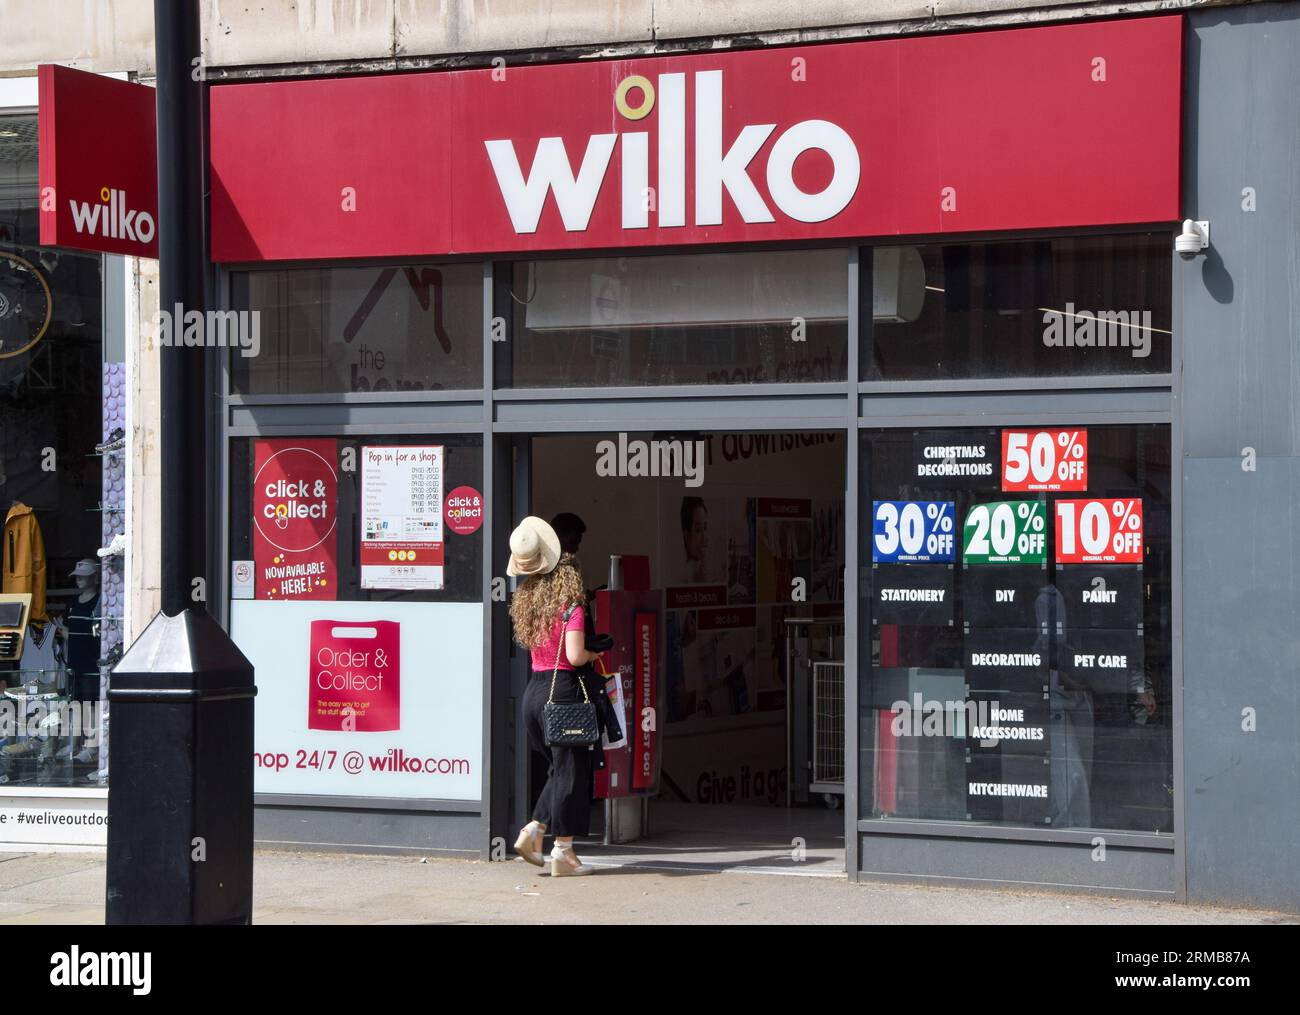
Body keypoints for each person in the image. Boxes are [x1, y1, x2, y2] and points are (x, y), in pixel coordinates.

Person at [509, 516, 603, 876]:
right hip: (563, 691)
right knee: (570, 774)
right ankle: (561, 851)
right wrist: (595, 655)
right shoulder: (571, 608)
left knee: (559, 769)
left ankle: (536, 830)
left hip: (535, 692)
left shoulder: (531, 605)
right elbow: (575, 656)